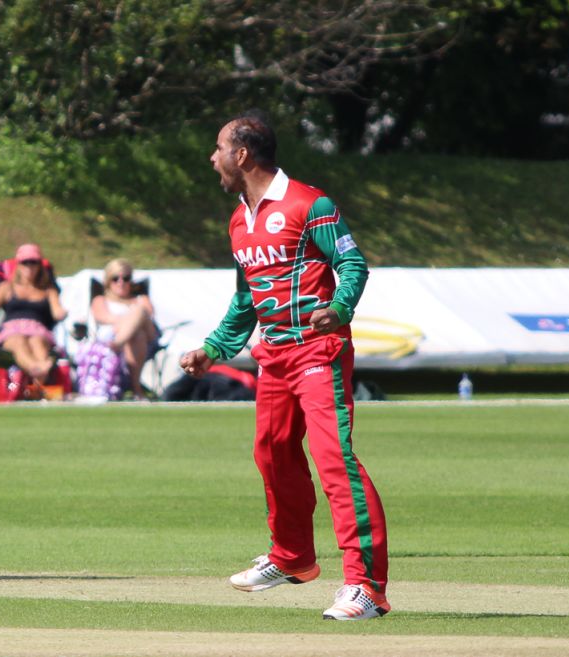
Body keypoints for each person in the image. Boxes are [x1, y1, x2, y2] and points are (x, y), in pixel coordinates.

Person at [179, 111, 389, 621]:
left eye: (218, 148)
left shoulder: (309, 203)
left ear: (242, 155)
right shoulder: (238, 218)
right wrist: (214, 348)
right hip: (273, 355)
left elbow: (353, 264)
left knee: (332, 456)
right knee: (272, 451)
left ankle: (367, 587)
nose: (213, 158)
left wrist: (338, 309)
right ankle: (293, 558)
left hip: (319, 351)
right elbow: (247, 297)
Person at [0, 243, 66, 383]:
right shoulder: (7, 287)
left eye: (33, 262)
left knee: (37, 342)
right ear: (18, 264)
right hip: (11, 330)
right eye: (25, 262)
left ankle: (38, 382)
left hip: (38, 329)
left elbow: (57, 311)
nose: (29, 267)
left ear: (39, 265)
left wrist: (63, 312)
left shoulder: (49, 290)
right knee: (18, 341)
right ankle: (39, 369)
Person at [89, 258, 159, 399]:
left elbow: (149, 318)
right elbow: (103, 317)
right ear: (108, 281)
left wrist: (131, 320)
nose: (121, 282)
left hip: (142, 342)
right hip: (113, 339)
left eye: (125, 278)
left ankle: (118, 343)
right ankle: (136, 388)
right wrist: (131, 322)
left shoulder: (141, 299)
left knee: (140, 313)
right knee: (137, 333)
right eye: (116, 278)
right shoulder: (100, 301)